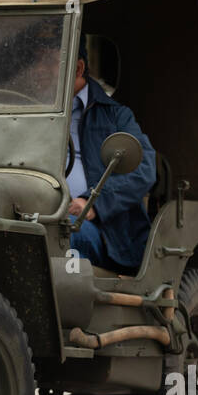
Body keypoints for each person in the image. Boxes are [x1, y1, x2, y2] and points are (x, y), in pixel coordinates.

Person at [66, 41, 156, 274]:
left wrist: (93, 203)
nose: (36, 71)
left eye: (46, 64)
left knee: (63, 235)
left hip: (104, 231)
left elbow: (144, 169)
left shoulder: (116, 116)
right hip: (39, 214)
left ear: (78, 68)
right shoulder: (27, 115)